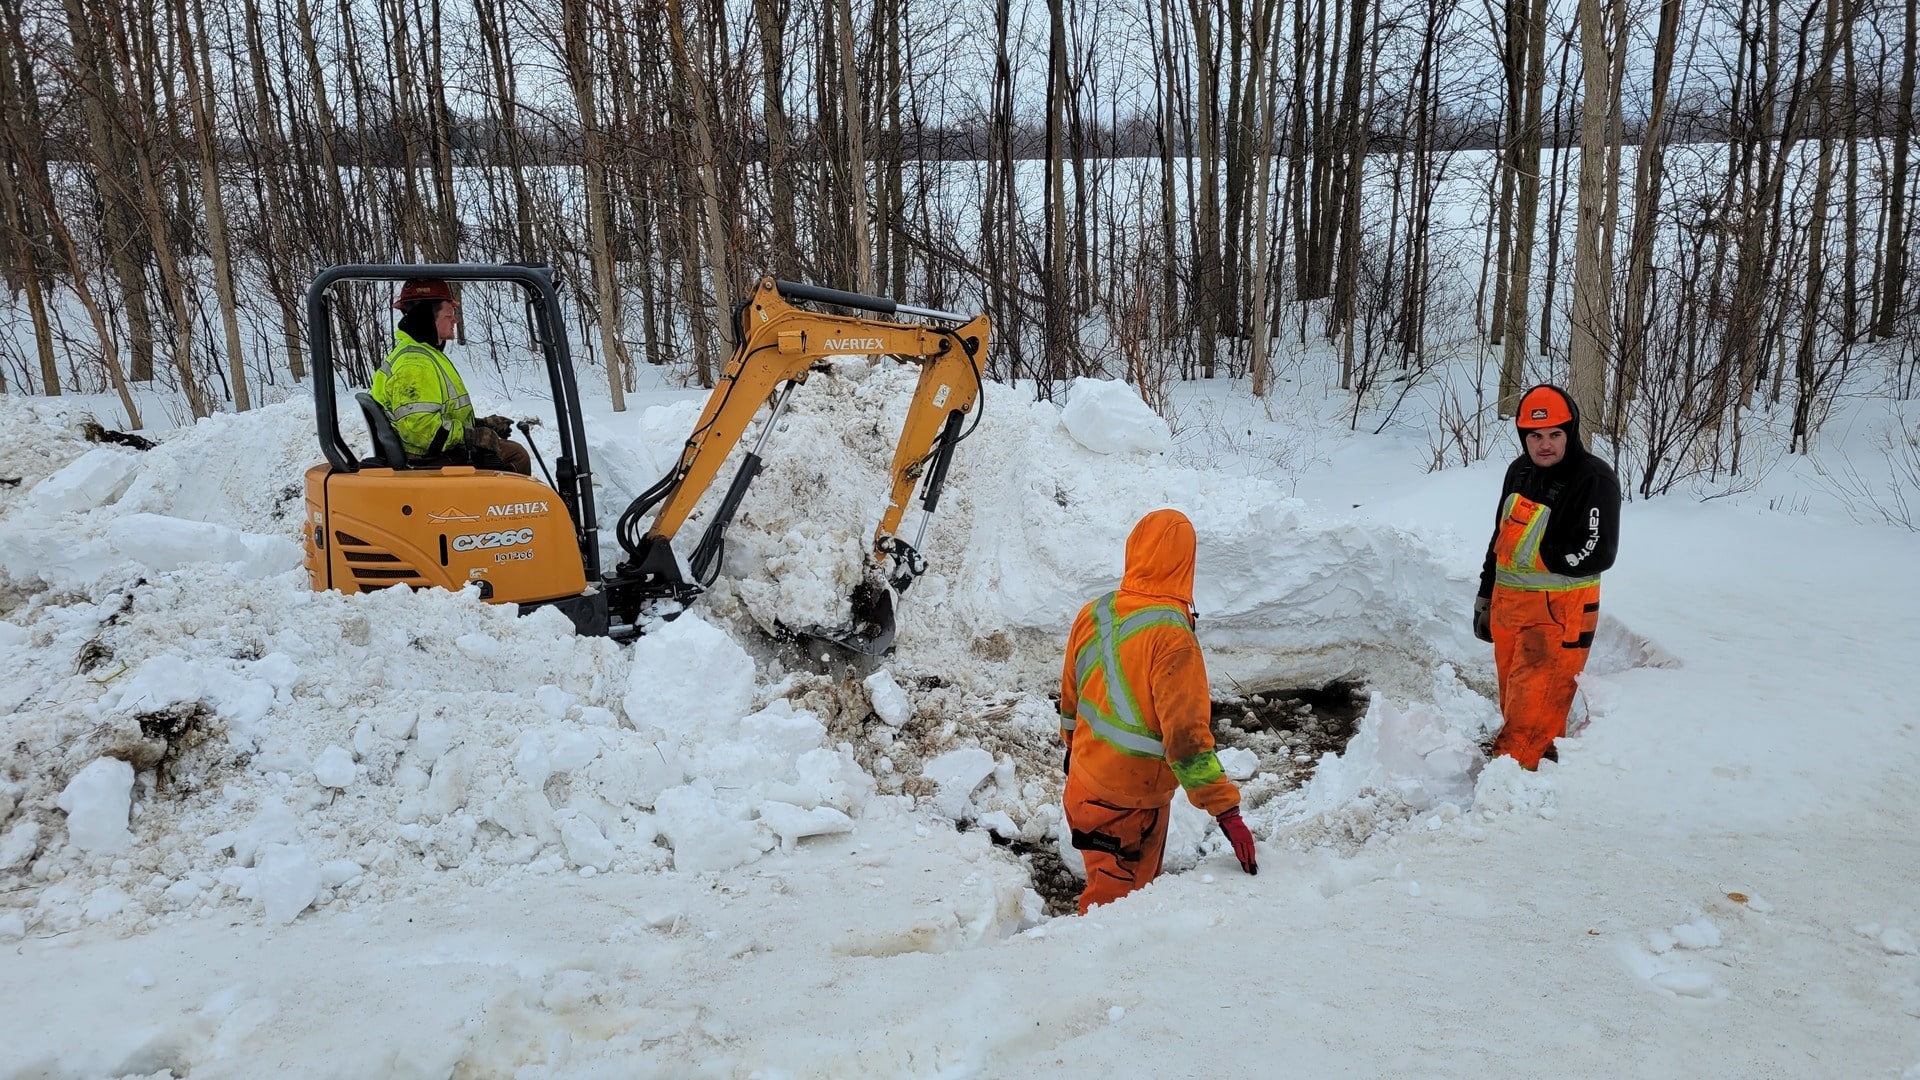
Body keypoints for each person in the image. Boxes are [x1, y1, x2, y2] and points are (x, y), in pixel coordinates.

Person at [1058, 507, 1257, 915]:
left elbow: (1070, 702)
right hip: (1128, 809)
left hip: (1083, 787)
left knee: (1106, 896)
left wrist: (1075, 751)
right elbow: (1187, 743)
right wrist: (1226, 810)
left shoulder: (1095, 612)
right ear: (1186, 562)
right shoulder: (1172, 637)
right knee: (1114, 918)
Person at [1474, 384, 1621, 769]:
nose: (1544, 445)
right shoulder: (1519, 470)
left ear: (1570, 433)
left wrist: (1547, 553)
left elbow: (1598, 551)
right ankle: (1535, 767)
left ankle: (1511, 792)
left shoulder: (1593, 477)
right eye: (1534, 436)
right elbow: (1500, 536)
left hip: (1558, 616)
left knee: (1532, 714)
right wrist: (1486, 594)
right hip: (1510, 611)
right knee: (1515, 702)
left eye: (1555, 434)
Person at [371, 278, 531, 475]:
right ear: (427, 318)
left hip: (431, 451)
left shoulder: (424, 354)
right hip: (429, 457)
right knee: (516, 455)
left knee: (510, 451)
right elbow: (419, 429)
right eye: (449, 315)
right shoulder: (415, 364)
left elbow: (437, 415)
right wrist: (471, 436)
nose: (455, 320)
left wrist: (481, 425)